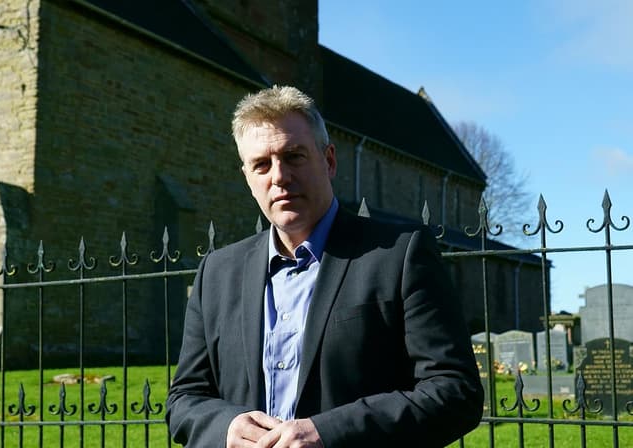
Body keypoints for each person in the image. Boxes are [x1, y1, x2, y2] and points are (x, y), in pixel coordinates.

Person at [166, 85, 483, 447]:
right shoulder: (216, 274)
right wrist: (226, 427)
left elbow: (455, 391)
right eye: (262, 165)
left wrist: (330, 434)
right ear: (248, 178)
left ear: (329, 160)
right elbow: (184, 399)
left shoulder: (400, 255)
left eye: (294, 156)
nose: (279, 176)